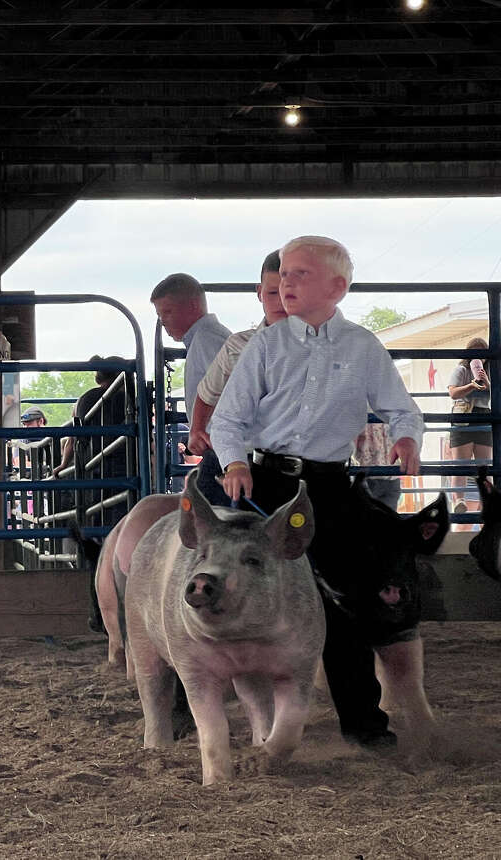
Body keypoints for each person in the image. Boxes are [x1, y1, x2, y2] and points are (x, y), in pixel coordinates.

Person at [210, 235, 423, 750]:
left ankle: (365, 726)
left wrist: (407, 437)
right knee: (222, 576)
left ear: (337, 287)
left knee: (348, 599)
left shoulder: (363, 347)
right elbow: (228, 419)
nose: (286, 282)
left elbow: (402, 406)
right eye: (283, 273)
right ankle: (193, 692)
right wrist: (235, 462)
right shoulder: (264, 345)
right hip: (263, 484)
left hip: (328, 484)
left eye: (300, 274)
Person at [186, 251, 287, 505]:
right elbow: (207, 392)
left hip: (294, 467)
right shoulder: (238, 345)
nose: (281, 302)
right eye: (272, 293)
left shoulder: (326, 347)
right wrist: (197, 429)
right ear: (259, 292)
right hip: (237, 461)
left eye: (289, 292)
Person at [151, 273, 229, 489]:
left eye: (167, 312)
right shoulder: (207, 338)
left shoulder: (207, 340)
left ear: (193, 306)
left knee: (205, 515)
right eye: (160, 314)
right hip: (221, 448)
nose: (163, 321)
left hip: (223, 449)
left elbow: (230, 393)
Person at [447, 337, 492, 527]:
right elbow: (453, 393)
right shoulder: (461, 370)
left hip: (483, 414)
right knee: (461, 463)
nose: (479, 357)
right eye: (475, 352)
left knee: (484, 464)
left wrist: (486, 382)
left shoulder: (491, 371)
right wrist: (471, 385)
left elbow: (494, 393)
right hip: (463, 414)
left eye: (482, 353)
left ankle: (489, 500)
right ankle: (459, 500)